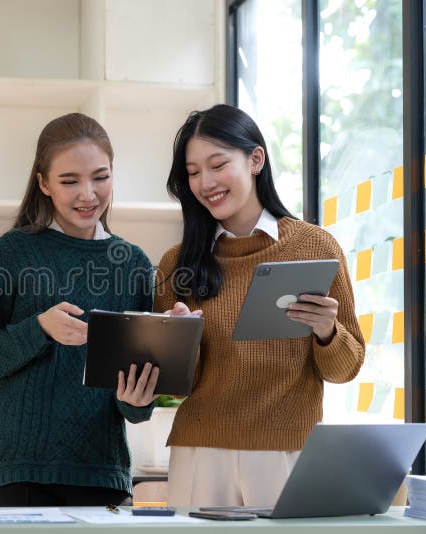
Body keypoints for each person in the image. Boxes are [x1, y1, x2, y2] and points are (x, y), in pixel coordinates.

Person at [154, 104, 365, 507]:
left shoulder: (314, 248)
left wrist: (326, 332)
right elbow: (177, 387)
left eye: (217, 165)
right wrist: (178, 344)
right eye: (193, 172)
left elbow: (346, 369)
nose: (205, 182)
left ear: (255, 159)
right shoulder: (177, 264)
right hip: (201, 452)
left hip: (287, 452)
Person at [0, 112, 159, 507]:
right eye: (70, 181)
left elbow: (133, 406)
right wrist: (39, 328)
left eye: (101, 177)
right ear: (44, 183)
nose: (88, 193)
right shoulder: (14, 251)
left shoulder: (133, 264)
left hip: (102, 469)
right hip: (19, 470)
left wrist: (137, 401)